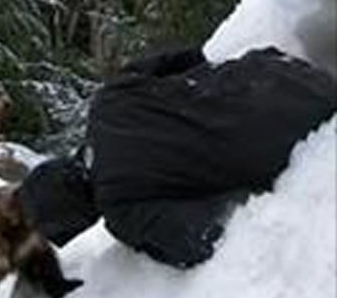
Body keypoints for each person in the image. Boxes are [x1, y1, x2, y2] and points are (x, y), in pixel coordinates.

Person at [18, 46, 337, 268]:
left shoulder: (123, 213)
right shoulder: (108, 101)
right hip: (282, 73)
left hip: (298, 134)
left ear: (80, 220)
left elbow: (203, 236)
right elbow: (191, 55)